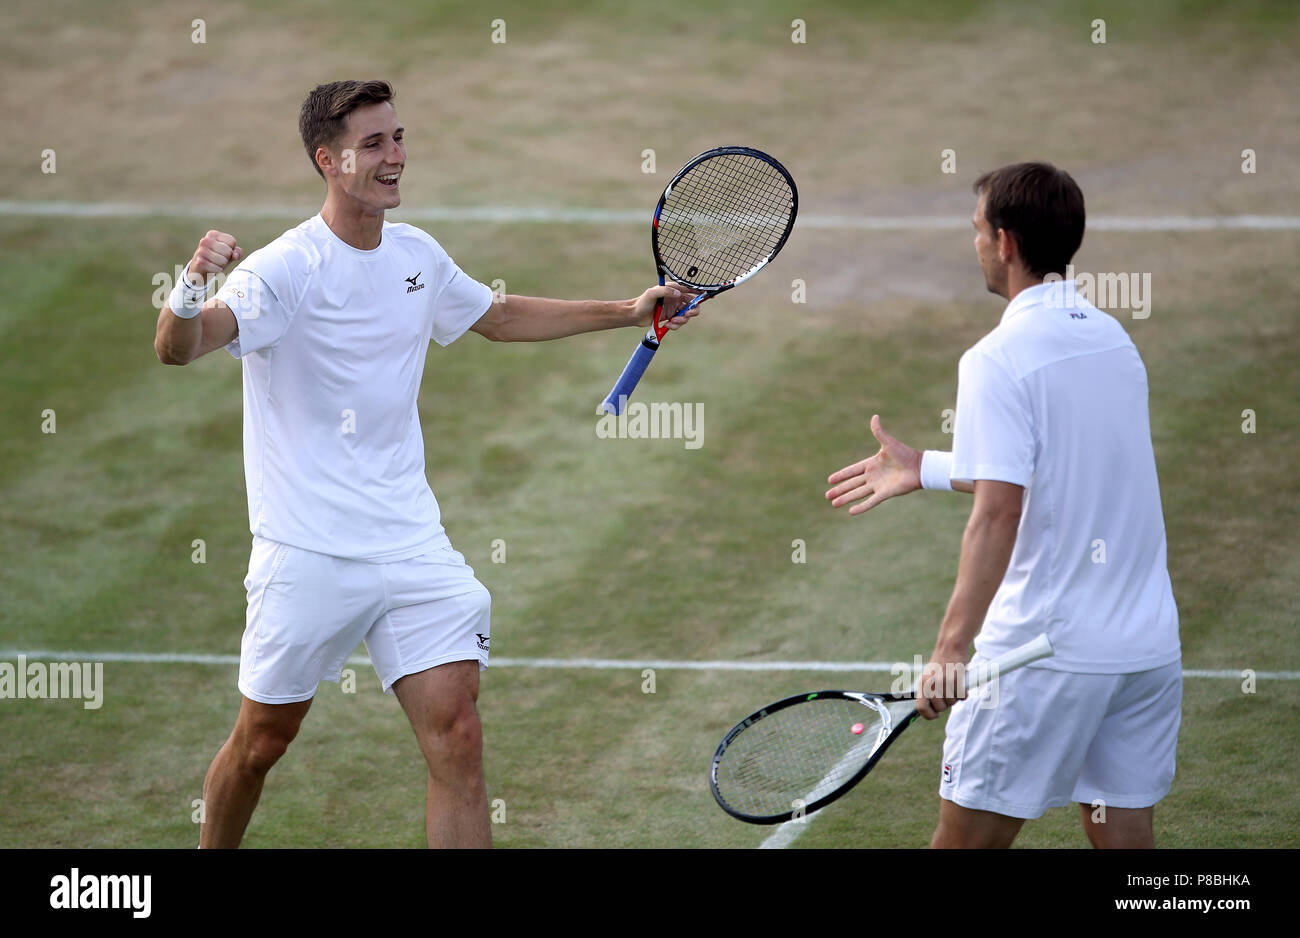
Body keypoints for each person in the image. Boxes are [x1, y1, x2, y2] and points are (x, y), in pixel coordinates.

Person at [153, 79, 697, 848]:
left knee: (459, 737)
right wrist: (188, 290)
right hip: (308, 550)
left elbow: (498, 317)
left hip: (411, 545)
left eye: (399, 138)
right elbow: (180, 348)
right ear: (328, 159)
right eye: (374, 144)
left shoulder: (417, 255)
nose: (396, 156)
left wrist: (625, 311)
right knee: (262, 744)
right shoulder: (283, 269)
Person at [824, 162, 1181, 848]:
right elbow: (1054, 471)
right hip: (1144, 653)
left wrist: (950, 651)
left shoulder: (996, 357)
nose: (977, 244)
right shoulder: (1113, 338)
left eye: (978, 230)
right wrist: (925, 468)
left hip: (1040, 658)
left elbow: (999, 512)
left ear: (1006, 242)